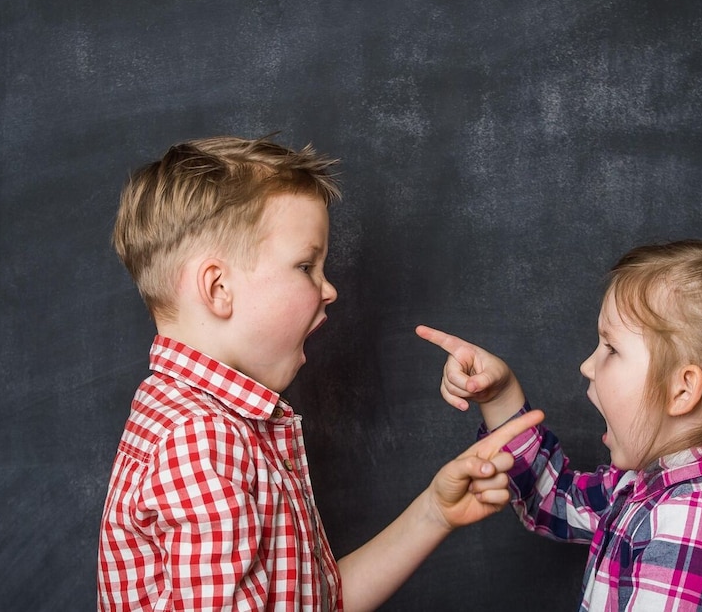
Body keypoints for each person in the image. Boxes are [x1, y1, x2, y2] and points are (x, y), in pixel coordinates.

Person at [98, 134, 544, 611]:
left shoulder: (195, 419)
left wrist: (434, 513)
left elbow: (315, 601)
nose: (328, 289)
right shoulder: (201, 439)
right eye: (306, 266)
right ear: (218, 287)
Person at [418, 239, 702, 611]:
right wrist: (499, 396)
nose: (587, 365)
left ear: (682, 390)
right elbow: (551, 500)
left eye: (611, 348)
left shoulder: (695, 517)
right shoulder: (653, 486)